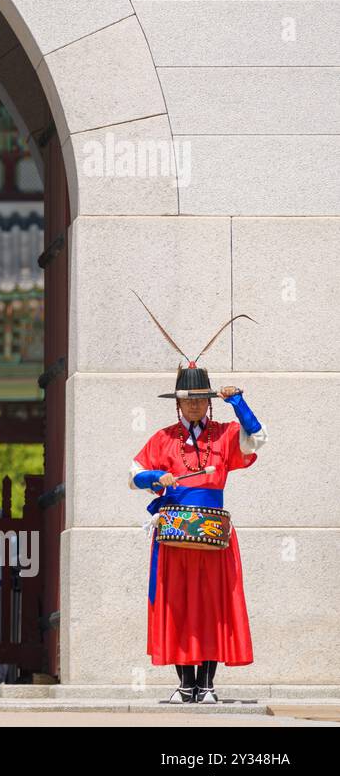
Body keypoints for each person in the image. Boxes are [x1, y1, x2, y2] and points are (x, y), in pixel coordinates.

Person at [130, 297, 263, 704]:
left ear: (208, 400)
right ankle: (184, 683)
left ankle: (207, 685)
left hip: (210, 530)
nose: (193, 404)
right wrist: (157, 476)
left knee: (210, 604)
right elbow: (134, 476)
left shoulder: (224, 433)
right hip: (173, 533)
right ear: (177, 402)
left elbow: (257, 438)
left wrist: (238, 401)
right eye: (186, 399)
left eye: (200, 398)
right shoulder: (163, 439)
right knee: (178, 604)